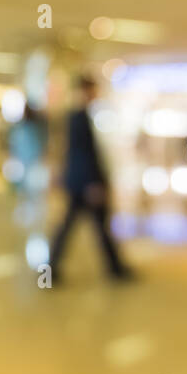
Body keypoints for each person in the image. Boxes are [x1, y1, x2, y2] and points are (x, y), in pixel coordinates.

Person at [48, 76, 133, 284]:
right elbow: (83, 154)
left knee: (81, 226)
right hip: (85, 183)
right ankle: (115, 269)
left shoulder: (79, 116)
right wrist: (93, 183)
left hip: (79, 181)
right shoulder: (80, 117)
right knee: (94, 226)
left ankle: (114, 268)